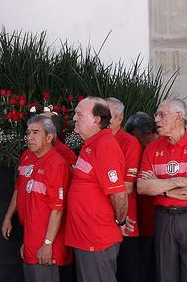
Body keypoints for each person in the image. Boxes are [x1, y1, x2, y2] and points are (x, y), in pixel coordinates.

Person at [137, 98, 187, 282]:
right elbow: (142, 187)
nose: (156, 119)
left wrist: (161, 188)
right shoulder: (152, 148)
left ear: (179, 117)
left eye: (162, 114)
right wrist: (177, 181)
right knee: (165, 275)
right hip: (164, 217)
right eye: (157, 115)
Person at [65, 97, 131, 281]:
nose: (74, 118)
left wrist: (120, 222)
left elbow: (119, 193)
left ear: (96, 119)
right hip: (86, 236)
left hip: (96, 238)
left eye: (79, 114)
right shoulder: (92, 144)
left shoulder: (104, 145)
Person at [1, 115, 69, 282]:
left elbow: (57, 209)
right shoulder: (32, 158)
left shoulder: (56, 164)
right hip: (32, 242)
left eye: (36, 132)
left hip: (46, 247)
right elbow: (24, 194)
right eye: (28, 132)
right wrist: (27, 239)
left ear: (49, 137)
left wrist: (47, 243)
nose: (30, 137)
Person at [106, 97, 142, 282]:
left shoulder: (129, 143)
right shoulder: (96, 141)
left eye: (108, 116)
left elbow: (127, 187)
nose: (103, 119)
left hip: (126, 223)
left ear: (120, 119)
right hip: (103, 222)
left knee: (126, 273)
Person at [125, 112, 159, 282]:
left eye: (137, 138)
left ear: (150, 134)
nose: (134, 143)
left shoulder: (162, 149)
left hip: (158, 223)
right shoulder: (138, 151)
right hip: (140, 222)